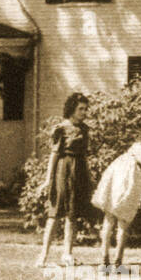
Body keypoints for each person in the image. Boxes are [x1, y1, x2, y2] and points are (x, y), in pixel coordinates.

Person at [36, 93, 92, 267]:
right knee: (54, 214)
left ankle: (67, 254)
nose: (84, 112)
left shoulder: (85, 129)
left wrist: (89, 176)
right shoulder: (61, 128)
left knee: (72, 215)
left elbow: (84, 155)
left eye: (85, 109)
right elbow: (53, 156)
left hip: (79, 171)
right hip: (63, 170)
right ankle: (43, 255)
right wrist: (47, 180)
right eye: (80, 109)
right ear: (72, 110)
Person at [92, 139, 141, 271]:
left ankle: (106, 261)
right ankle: (117, 263)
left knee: (110, 218)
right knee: (123, 221)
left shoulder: (135, 152)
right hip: (128, 176)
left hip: (117, 169)